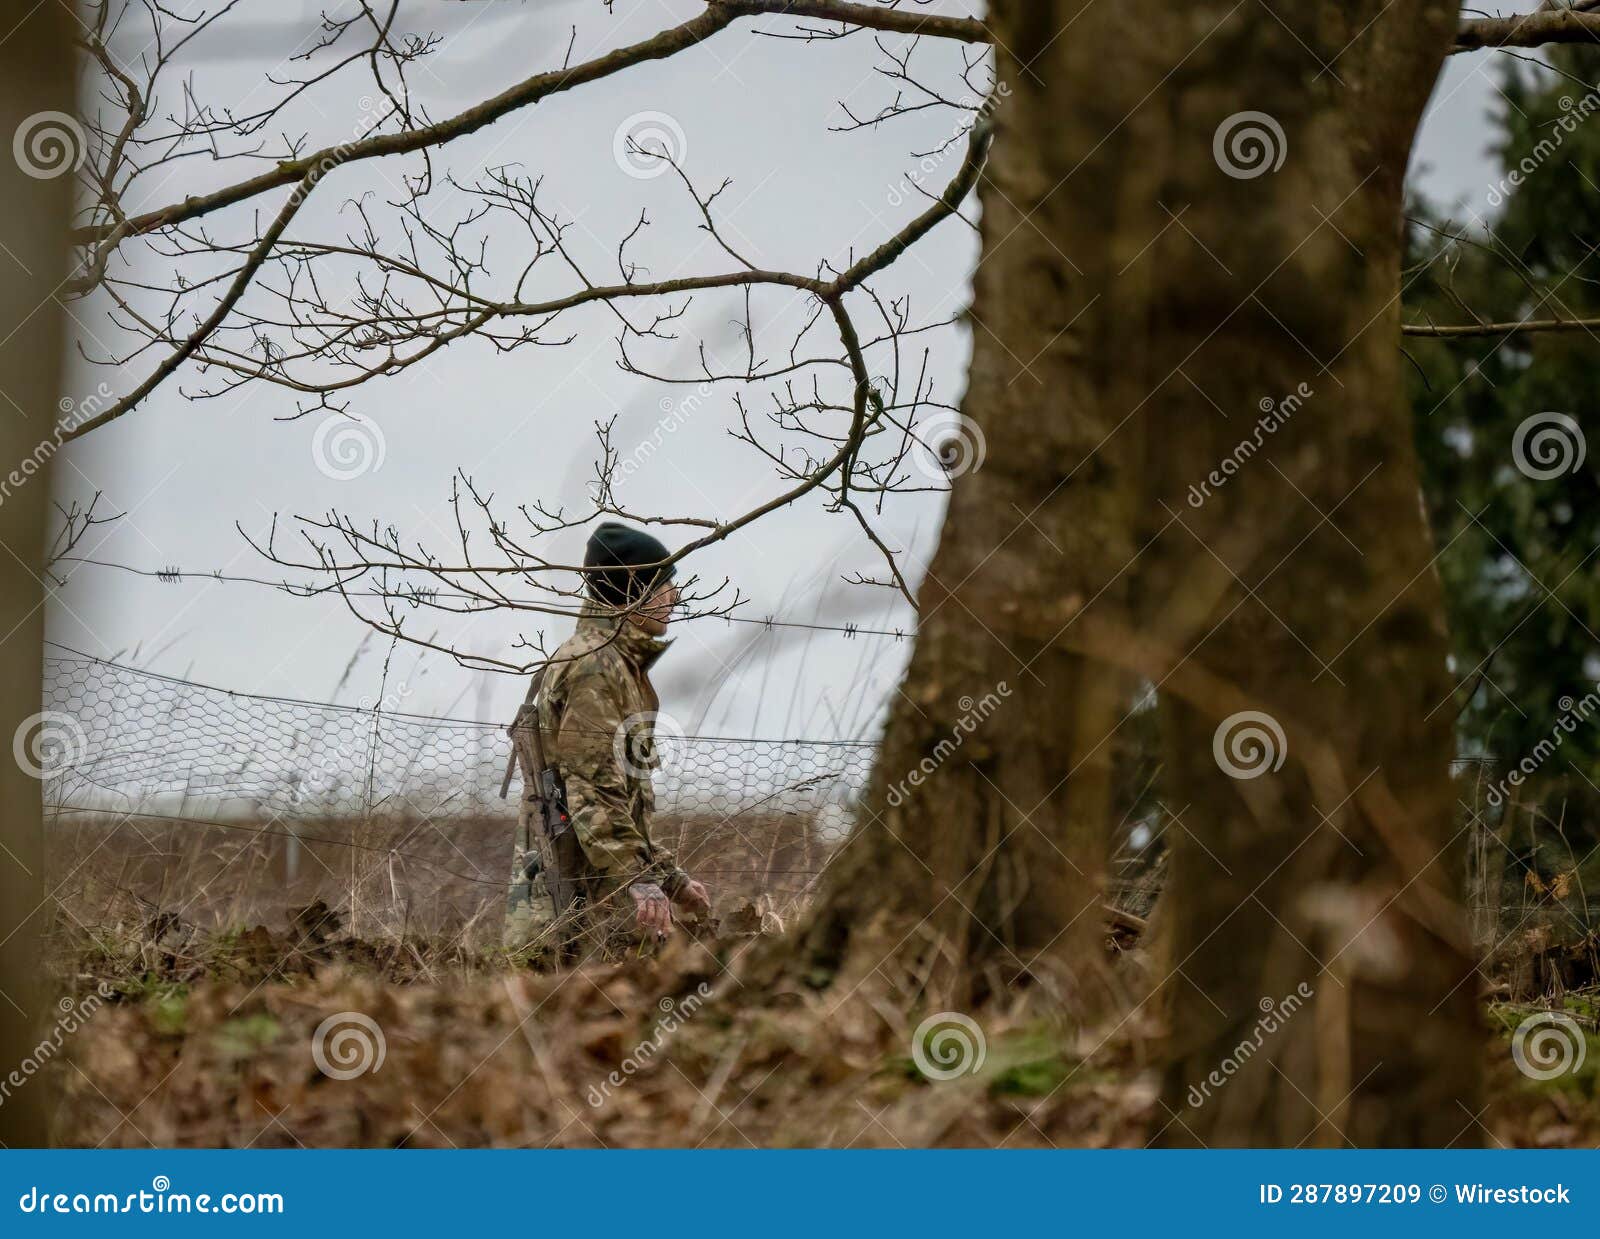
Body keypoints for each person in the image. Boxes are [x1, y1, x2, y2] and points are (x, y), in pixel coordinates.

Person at [504, 522, 711, 949]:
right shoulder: (595, 666)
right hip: (574, 890)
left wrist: (669, 880)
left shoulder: (615, 661)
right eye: (664, 584)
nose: (675, 597)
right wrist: (639, 880)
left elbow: (624, 796)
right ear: (632, 588)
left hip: (597, 880)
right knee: (560, 998)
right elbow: (592, 788)